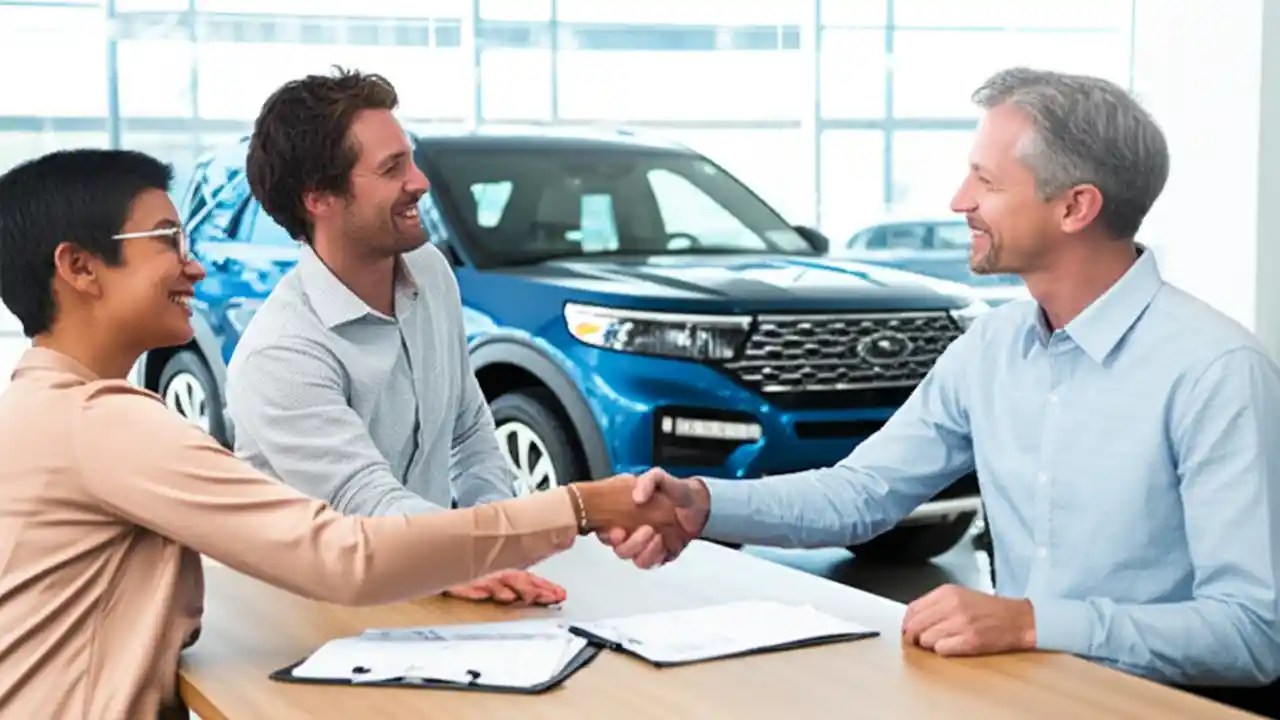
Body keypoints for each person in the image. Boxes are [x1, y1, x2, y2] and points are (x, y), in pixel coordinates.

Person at [603, 67, 1280, 695]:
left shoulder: (1215, 372)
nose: (959, 201)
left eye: (986, 182)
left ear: (1075, 208)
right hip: (1018, 694)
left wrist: (1031, 623)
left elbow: (1252, 633)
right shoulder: (990, 346)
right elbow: (862, 495)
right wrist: (700, 503)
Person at [0, 149, 679, 719]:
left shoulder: (42, 408)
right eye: (166, 241)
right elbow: (342, 554)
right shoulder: (103, 423)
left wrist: (454, 553)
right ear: (79, 267)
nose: (195, 265)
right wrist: (583, 506)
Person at [223, 68, 560, 605]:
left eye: (410, 158)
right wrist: (476, 549)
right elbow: (367, 502)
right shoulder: (280, 354)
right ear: (319, 199)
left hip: (427, 584)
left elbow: (470, 429)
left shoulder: (429, 272)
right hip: (312, 616)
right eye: (392, 168)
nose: (420, 182)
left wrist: (500, 548)